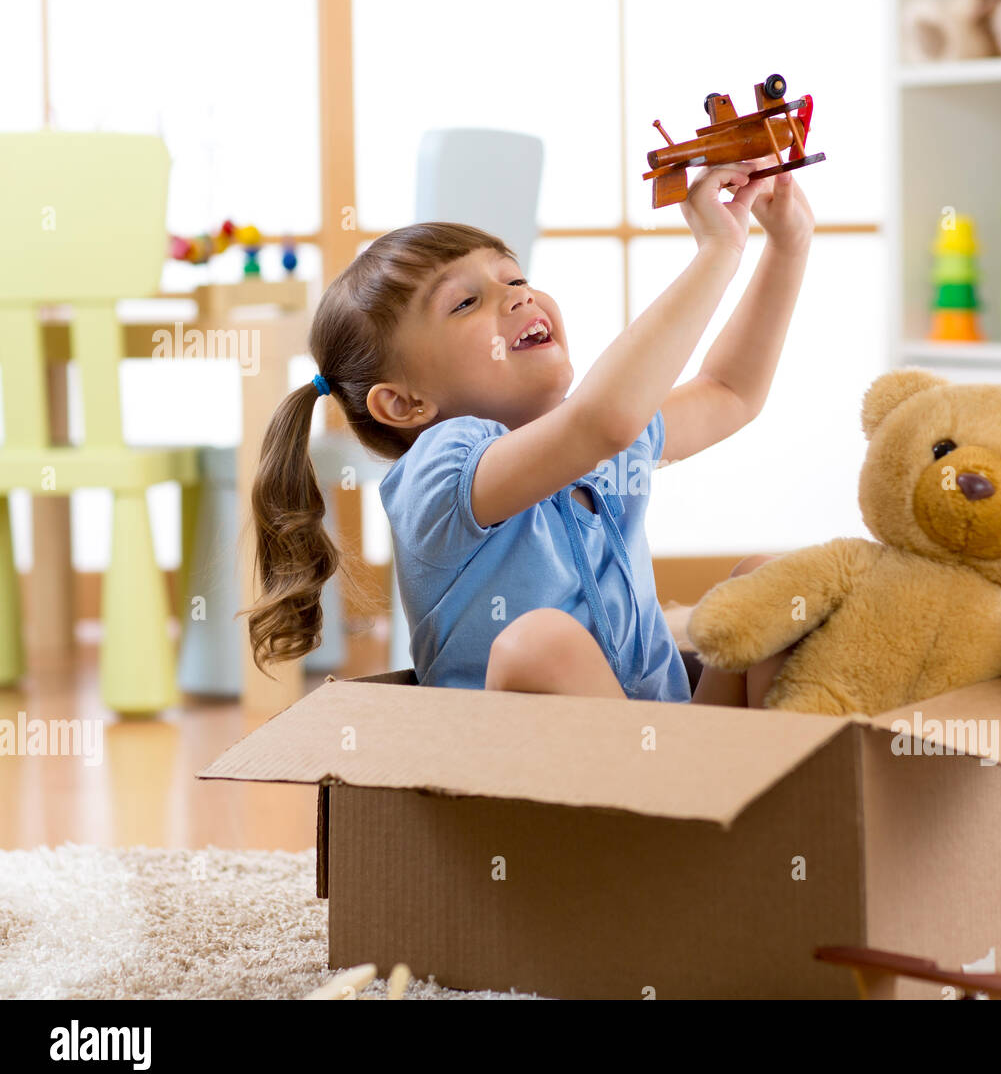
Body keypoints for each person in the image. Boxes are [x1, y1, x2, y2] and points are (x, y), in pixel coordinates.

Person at [246, 154, 814, 706]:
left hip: (681, 748)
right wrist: (719, 252)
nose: (517, 295)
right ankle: (664, 790)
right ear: (404, 403)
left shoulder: (606, 441)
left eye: (514, 277)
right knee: (537, 644)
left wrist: (787, 245)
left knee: (772, 585)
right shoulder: (439, 475)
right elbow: (604, 418)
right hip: (536, 779)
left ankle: (774, 793)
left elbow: (730, 392)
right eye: (466, 302)